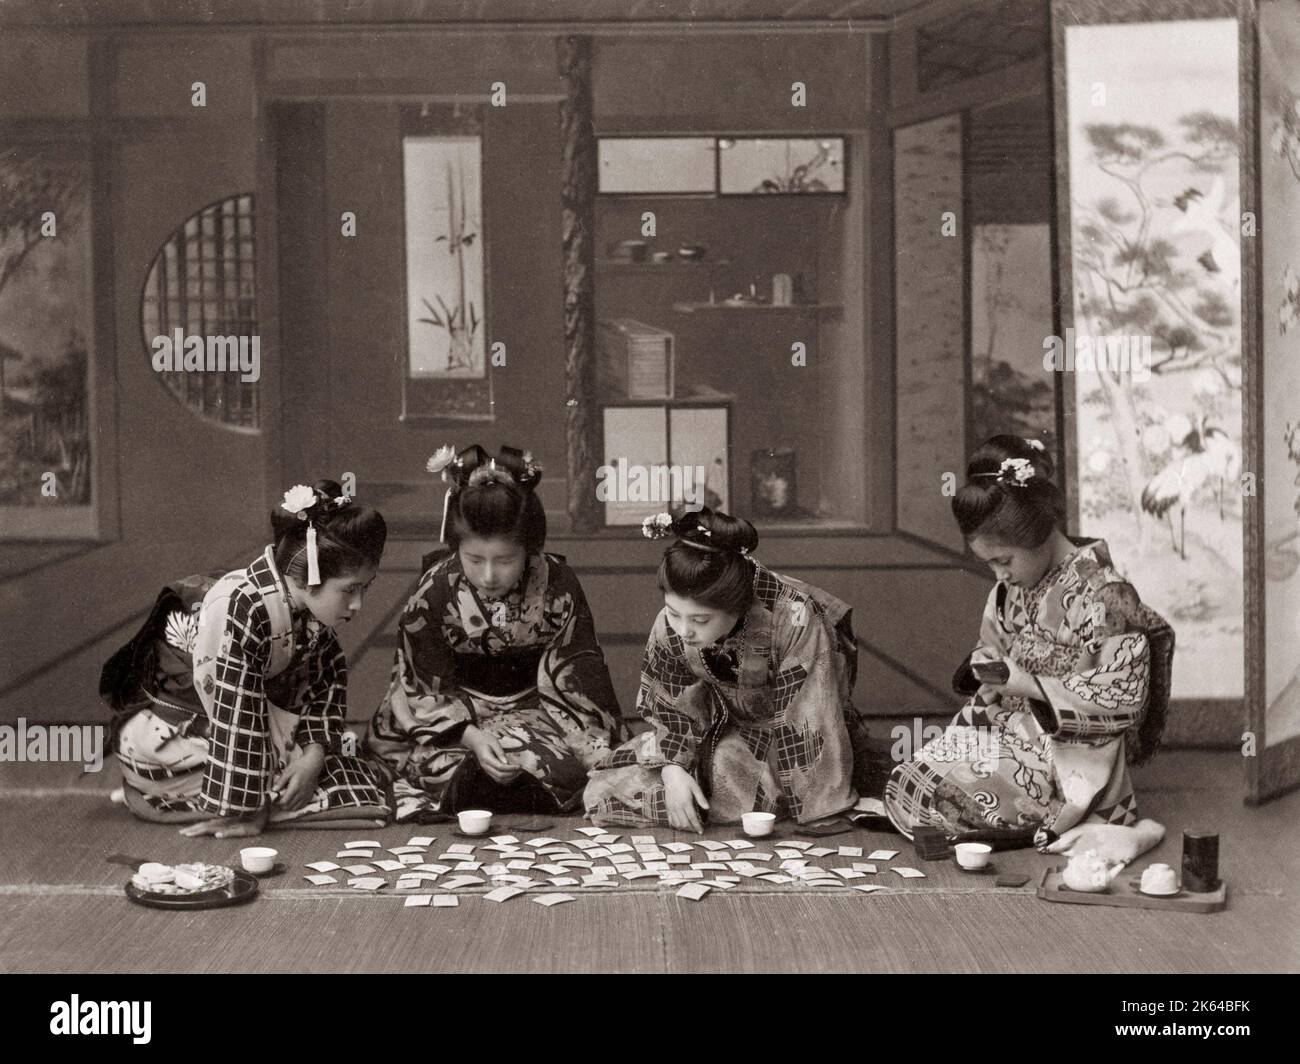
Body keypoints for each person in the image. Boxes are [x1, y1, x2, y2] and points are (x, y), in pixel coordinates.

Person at [884, 435, 1174, 863]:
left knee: (941, 800)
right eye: (990, 564)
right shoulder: (1010, 590)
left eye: (1004, 559)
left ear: (1039, 533)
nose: (1000, 574)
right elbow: (992, 651)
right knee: (910, 780)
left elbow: (1125, 697)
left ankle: (1084, 818)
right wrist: (987, 668)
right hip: (1006, 731)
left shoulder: (1108, 596)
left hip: (1067, 753)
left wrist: (1031, 684)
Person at [100, 480, 392, 837]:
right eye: (349, 590)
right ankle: (172, 792)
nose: (358, 604)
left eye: (366, 587)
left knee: (335, 761)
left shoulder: (305, 602)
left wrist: (313, 754)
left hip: (246, 720)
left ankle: (227, 789)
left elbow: (326, 681)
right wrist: (250, 811)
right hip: (182, 727)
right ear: (309, 575)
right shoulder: (239, 606)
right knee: (341, 784)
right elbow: (234, 710)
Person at [364, 445, 623, 822]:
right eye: (473, 560)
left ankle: (496, 781)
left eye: (504, 560)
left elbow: (577, 673)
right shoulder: (434, 592)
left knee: (554, 761)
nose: (488, 576)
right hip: (449, 716)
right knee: (427, 765)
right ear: (456, 547)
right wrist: (471, 735)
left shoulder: (558, 584)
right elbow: (421, 686)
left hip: (537, 706)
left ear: (530, 548)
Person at [584, 506, 871, 830]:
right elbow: (669, 709)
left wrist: (819, 807)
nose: (684, 630)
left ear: (737, 606)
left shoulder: (793, 617)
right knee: (606, 787)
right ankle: (699, 790)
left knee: (722, 774)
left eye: (700, 619)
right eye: (674, 613)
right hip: (714, 728)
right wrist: (672, 770)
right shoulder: (671, 626)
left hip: (786, 735)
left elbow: (810, 717)